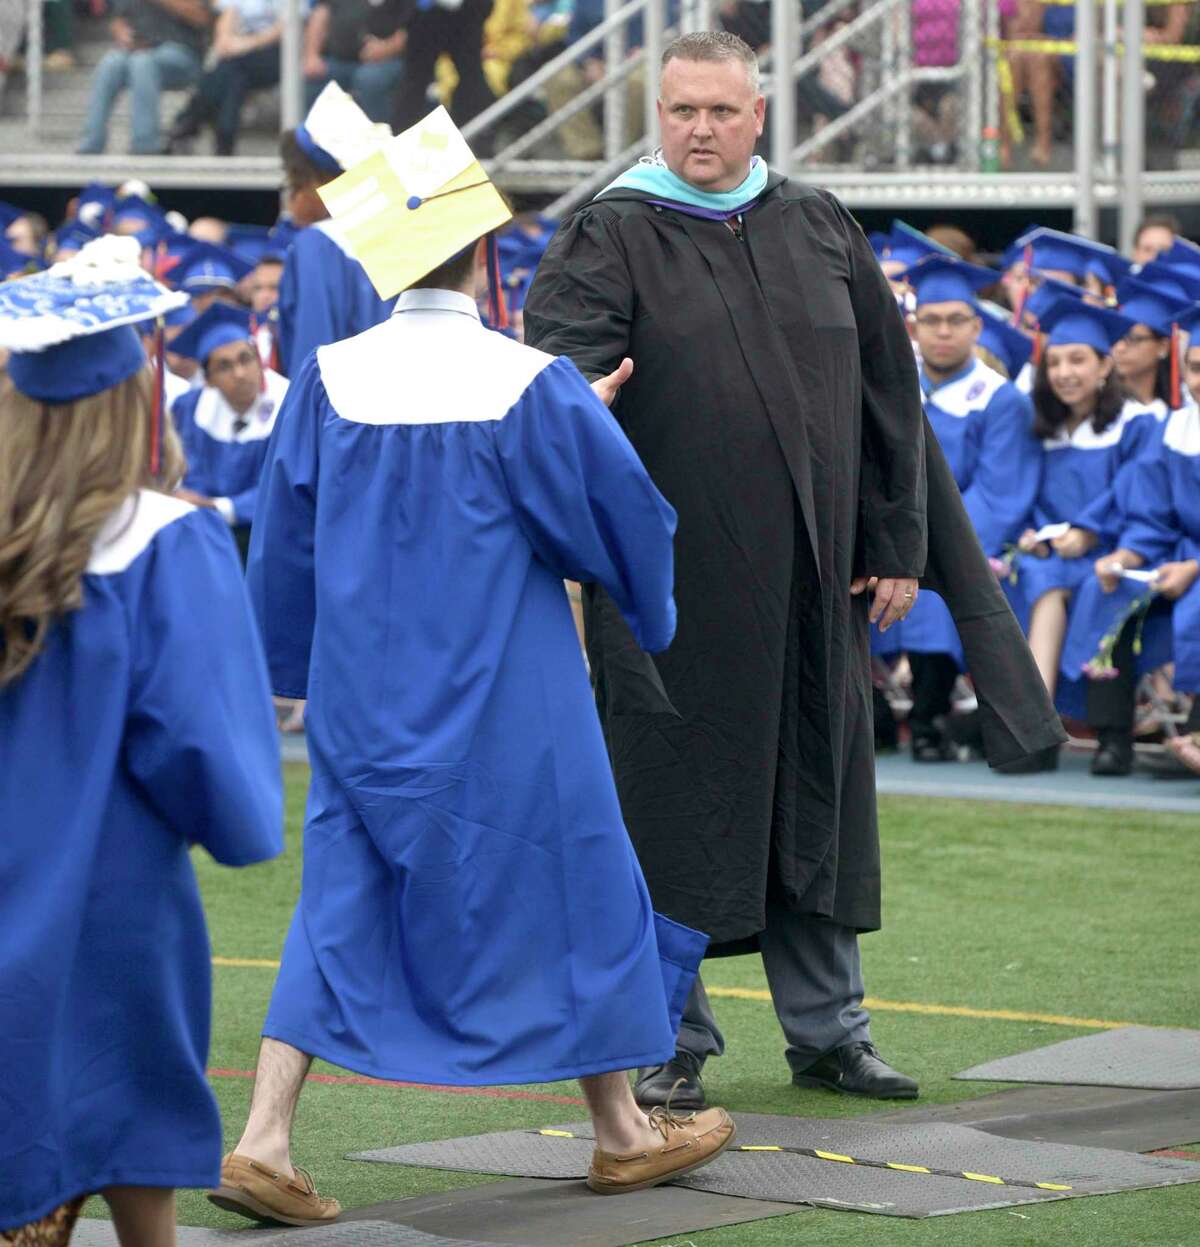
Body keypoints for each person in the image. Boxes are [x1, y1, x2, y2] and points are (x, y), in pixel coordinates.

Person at [525, 31, 1063, 1111]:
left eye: (721, 112)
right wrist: (578, 399)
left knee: (817, 796)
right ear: (657, 111)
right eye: (682, 111)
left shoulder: (817, 224)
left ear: (759, 114)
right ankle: (667, 1035)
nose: (701, 132)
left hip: (821, 578)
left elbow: (886, 393)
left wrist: (894, 539)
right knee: (671, 804)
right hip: (670, 582)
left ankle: (830, 1032)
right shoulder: (609, 232)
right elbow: (559, 381)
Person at [214, 110, 731, 1224]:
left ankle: (263, 1134)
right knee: (582, 880)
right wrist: (646, 596)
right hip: (510, 691)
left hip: (364, 694)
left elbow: (285, 543)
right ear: (486, 251)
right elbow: (616, 520)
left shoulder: (324, 376)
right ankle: (623, 1127)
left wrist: (288, 668)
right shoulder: (528, 381)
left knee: (341, 895)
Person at [0, 237, 282, 1243]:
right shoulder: (163, 540)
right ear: (134, 397)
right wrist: (244, 819)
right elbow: (203, 749)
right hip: (115, 902)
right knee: (132, 1153)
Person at [894, 255, 1040, 762]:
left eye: (956, 320)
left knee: (934, 589)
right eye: (931, 320)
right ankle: (869, 707)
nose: (943, 332)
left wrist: (921, 541)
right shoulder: (891, 385)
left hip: (959, 539)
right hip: (893, 530)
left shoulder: (1001, 402)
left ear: (977, 326)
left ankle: (929, 715)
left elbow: (999, 493)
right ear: (914, 325)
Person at [1005, 298, 1158, 771]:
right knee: (1037, 580)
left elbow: (1138, 493)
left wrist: (1090, 532)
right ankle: (1037, 729)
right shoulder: (1043, 426)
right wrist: (1040, 535)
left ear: (1105, 365)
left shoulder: (1137, 423)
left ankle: (1114, 738)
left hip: (1123, 546)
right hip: (1058, 553)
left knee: (1100, 587)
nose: (1065, 373)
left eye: (1077, 360)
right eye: (1054, 362)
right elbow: (1026, 494)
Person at [1062, 321, 1200, 776]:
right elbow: (1151, 514)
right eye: (1195, 369)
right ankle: (1113, 738)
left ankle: (1197, 732)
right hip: (1174, 556)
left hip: (1193, 564)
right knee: (1108, 589)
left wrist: (1194, 567)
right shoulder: (1175, 428)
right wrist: (1126, 557)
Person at [276, 83, 398, 377]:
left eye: (294, 185)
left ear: (319, 184)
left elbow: (313, 356)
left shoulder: (318, 246)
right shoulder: (400, 238)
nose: (291, 201)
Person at [169, 303, 287, 562]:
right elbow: (189, 477)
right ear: (209, 379)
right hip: (206, 539)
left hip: (270, 542)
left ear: (259, 359)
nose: (240, 373)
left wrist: (218, 507)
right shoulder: (190, 410)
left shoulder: (289, 406)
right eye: (224, 366)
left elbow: (282, 490)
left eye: (246, 359)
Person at [77, 0, 212, 155]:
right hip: (139, 49)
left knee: (142, 62)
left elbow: (203, 18)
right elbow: (117, 20)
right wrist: (122, 34)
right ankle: (91, 142)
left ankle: (145, 144)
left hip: (183, 54)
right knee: (110, 62)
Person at [166, 0, 286, 155]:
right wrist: (225, 42)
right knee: (234, 76)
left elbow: (287, 27)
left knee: (230, 68)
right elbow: (227, 18)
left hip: (279, 53)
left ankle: (188, 123)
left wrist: (247, 45)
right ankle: (224, 137)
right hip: (240, 54)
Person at [392, 0, 495, 134]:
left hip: (467, 16)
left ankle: (477, 139)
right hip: (425, 19)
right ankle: (401, 139)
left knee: (472, 79)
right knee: (414, 84)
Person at [303, 0, 409, 124]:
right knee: (314, 78)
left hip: (389, 59)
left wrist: (386, 48)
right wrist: (311, 56)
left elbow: (413, 27)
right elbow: (320, 15)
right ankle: (312, 138)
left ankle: (380, 137)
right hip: (341, 60)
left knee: (369, 80)